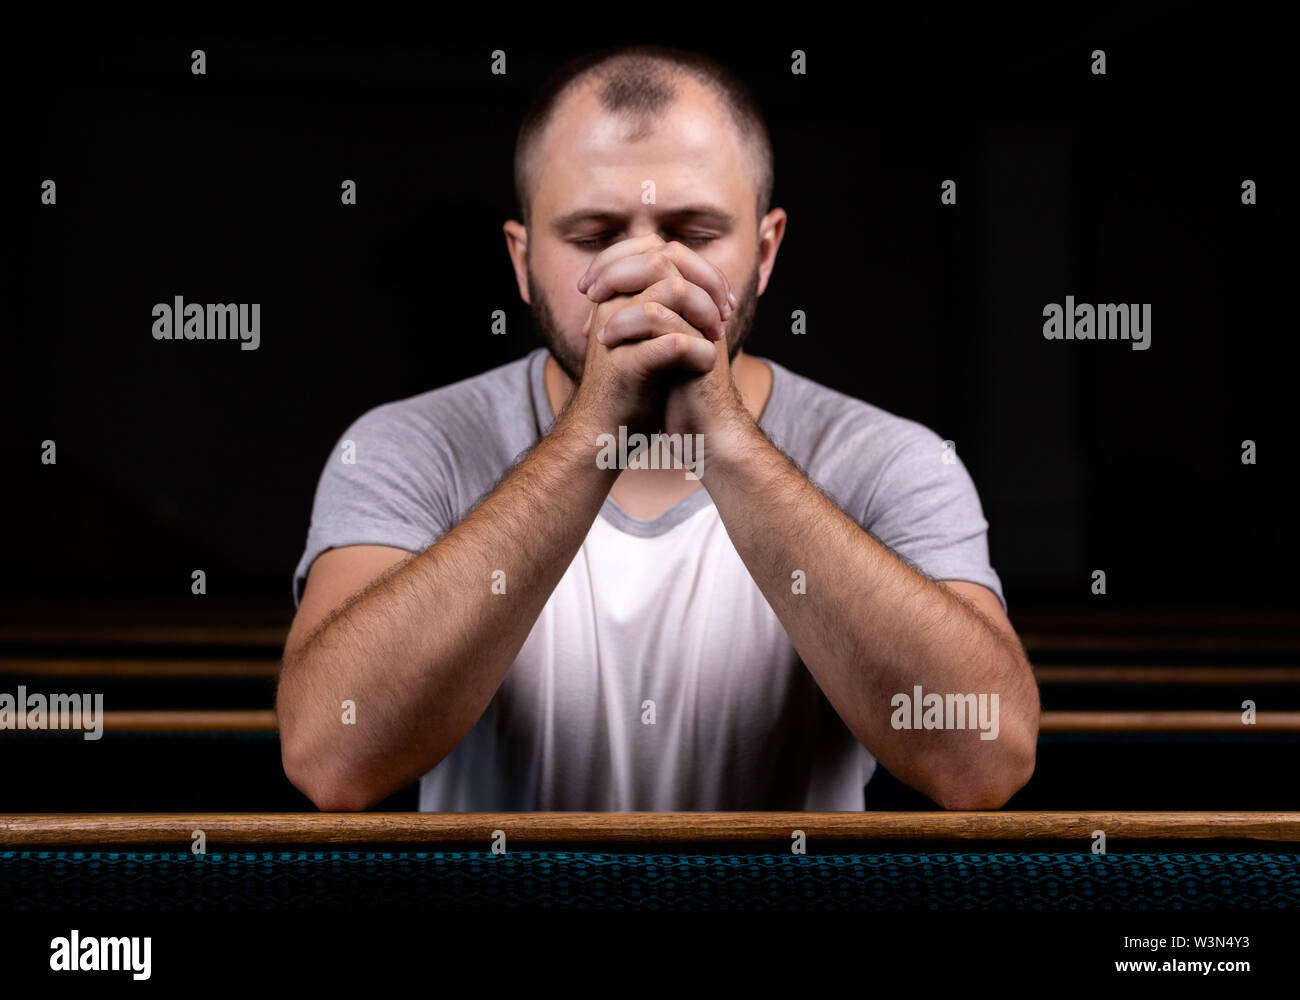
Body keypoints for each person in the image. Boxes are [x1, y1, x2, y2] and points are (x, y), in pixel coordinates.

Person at [276, 45, 1039, 812]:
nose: (649, 275)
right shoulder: (406, 447)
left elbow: (984, 762)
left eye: (695, 233)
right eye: (595, 237)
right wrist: (589, 434)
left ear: (765, 252)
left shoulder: (890, 460)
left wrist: (728, 441)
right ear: (522, 259)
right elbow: (334, 758)